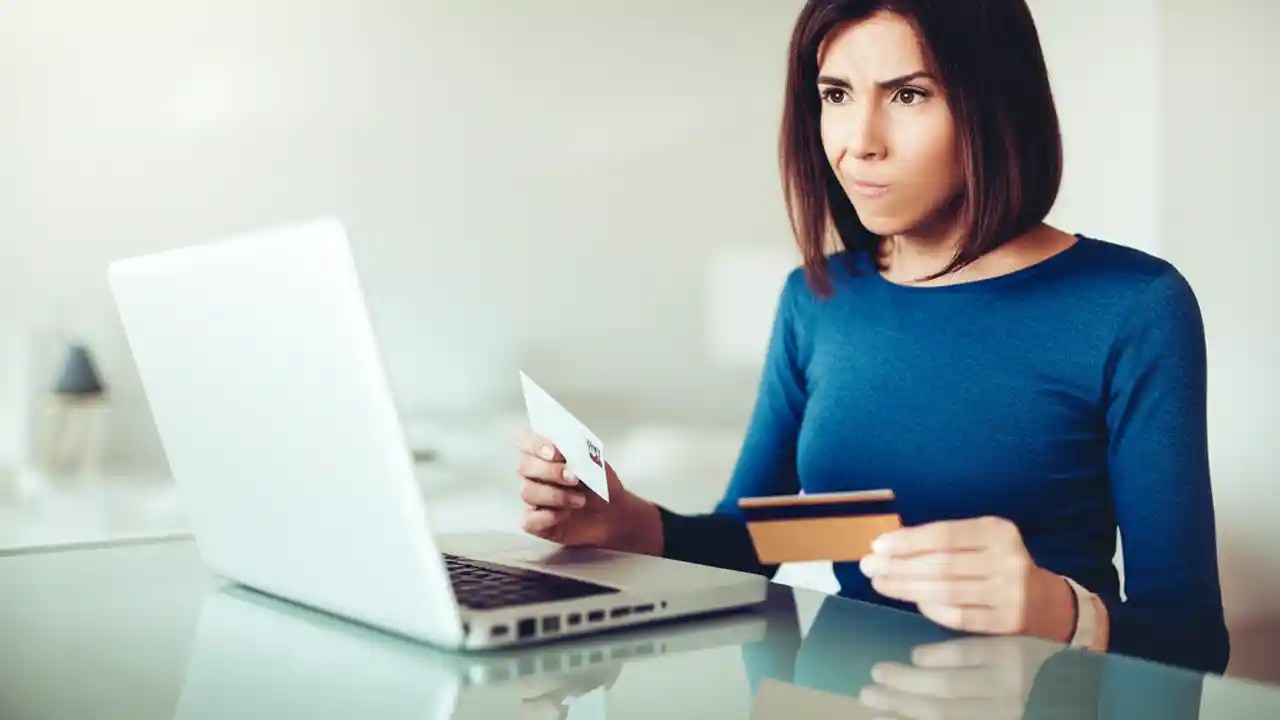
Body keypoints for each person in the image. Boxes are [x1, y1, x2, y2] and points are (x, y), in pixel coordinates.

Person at [513, 0, 1229, 674]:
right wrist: (631, 523)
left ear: (994, 103)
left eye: (909, 94)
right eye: (835, 95)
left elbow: (1192, 642)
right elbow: (759, 544)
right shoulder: (818, 298)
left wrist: (1061, 614)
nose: (859, 144)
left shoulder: (1131, 307)